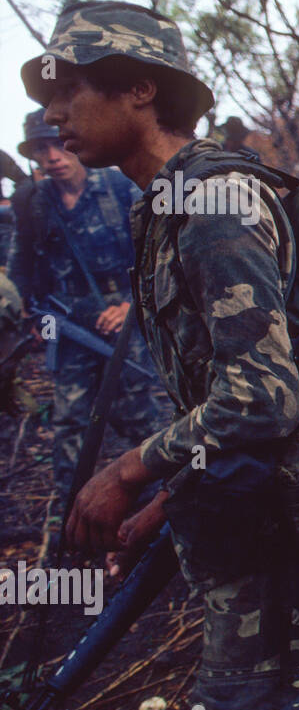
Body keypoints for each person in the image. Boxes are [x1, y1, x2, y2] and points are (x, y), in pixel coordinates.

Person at [27, 0, 299, 710]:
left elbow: (263, 395)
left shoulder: (212, 201)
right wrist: (163, 508)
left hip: (279, 528)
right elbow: (220, 397)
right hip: (244, 511)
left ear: (140, 90)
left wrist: (127, 469)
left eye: (69, 90)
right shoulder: (171, 200)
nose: (52, 115)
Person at [8, 108, 160, 505]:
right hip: (69, 317)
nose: (53, 157)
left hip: (125, 315)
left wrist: (132, 303)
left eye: (58, 145)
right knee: (70, 421)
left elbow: (158, 253)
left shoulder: (118, 186)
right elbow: (22, 261)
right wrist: (23, 311)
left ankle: (159, 509)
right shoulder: (34, 202)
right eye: (42, 150)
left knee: (138, 416)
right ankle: (70, 514)